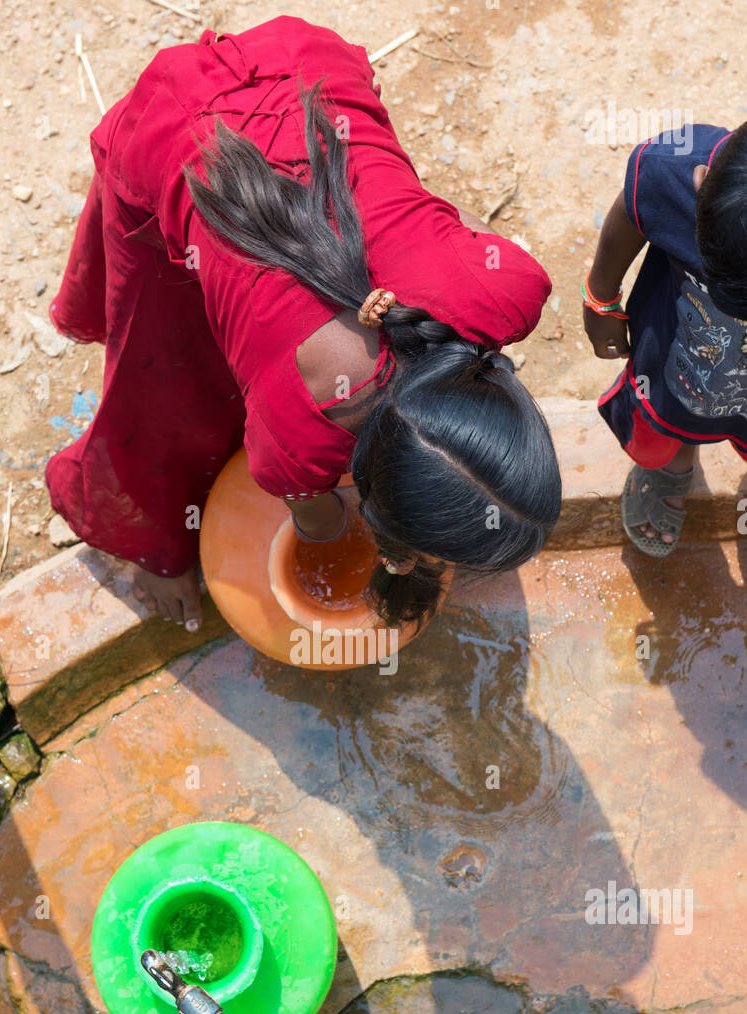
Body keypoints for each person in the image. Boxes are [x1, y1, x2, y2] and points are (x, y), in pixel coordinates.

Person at [47, 17, 560, 632]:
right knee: (161, 381)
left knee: (236, 316)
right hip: (175, 137)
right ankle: (153, 549)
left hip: (308, 70)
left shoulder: (510, 291)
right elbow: (317, 521)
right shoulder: (296, 442)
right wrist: (384, 555)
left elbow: (446, 235)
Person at [585, 121, 747, 556]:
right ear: (699, 184)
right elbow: (632, 212)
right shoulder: (673, 170)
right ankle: (673, 464)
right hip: (677, 360)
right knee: (664, 425)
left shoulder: (696, 180)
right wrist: (600, 297)